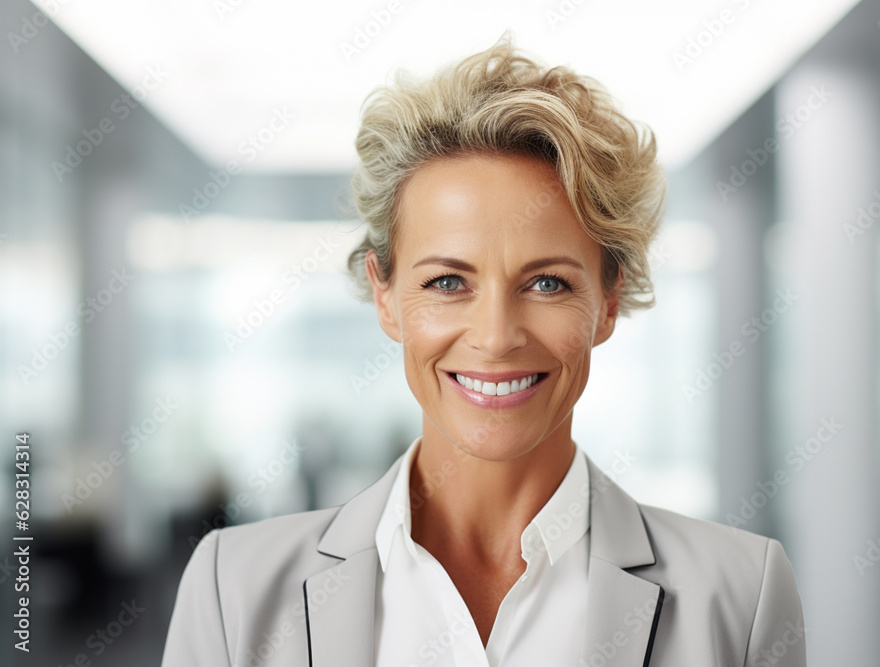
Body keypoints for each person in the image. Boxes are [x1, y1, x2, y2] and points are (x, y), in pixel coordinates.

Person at [161, 32, 806, 666]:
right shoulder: (232, 590)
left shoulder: (738, 596)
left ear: (609, 299)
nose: (496, 337)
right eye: (448, 282)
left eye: (547, 283)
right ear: (384, 296)